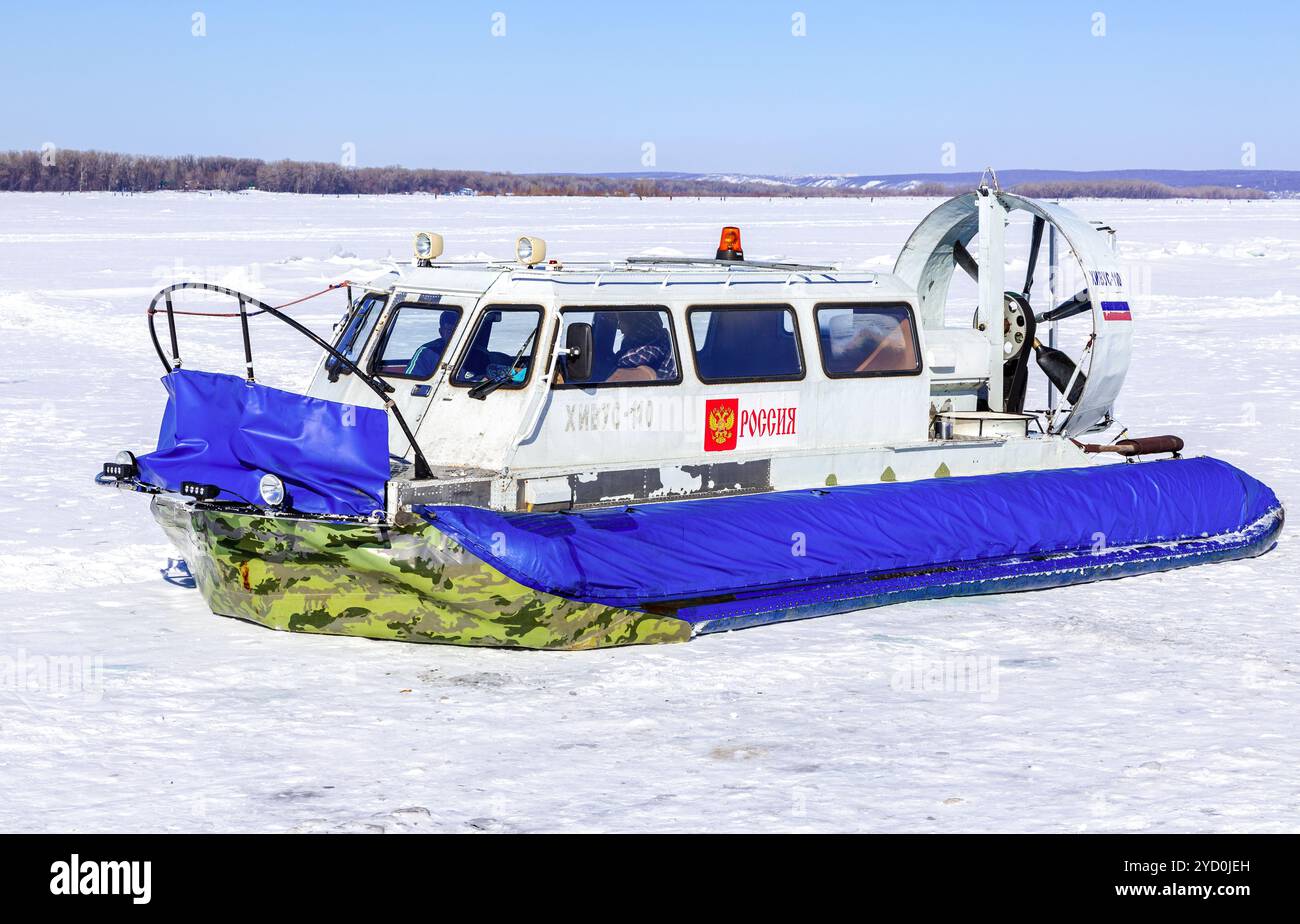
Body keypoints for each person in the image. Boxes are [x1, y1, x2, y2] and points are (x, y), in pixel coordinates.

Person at [604, 311, 676, 383]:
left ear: (631, 320)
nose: (618, 327)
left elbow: (606, 376)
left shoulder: (647, 352)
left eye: (620, 320)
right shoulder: (664, 342)